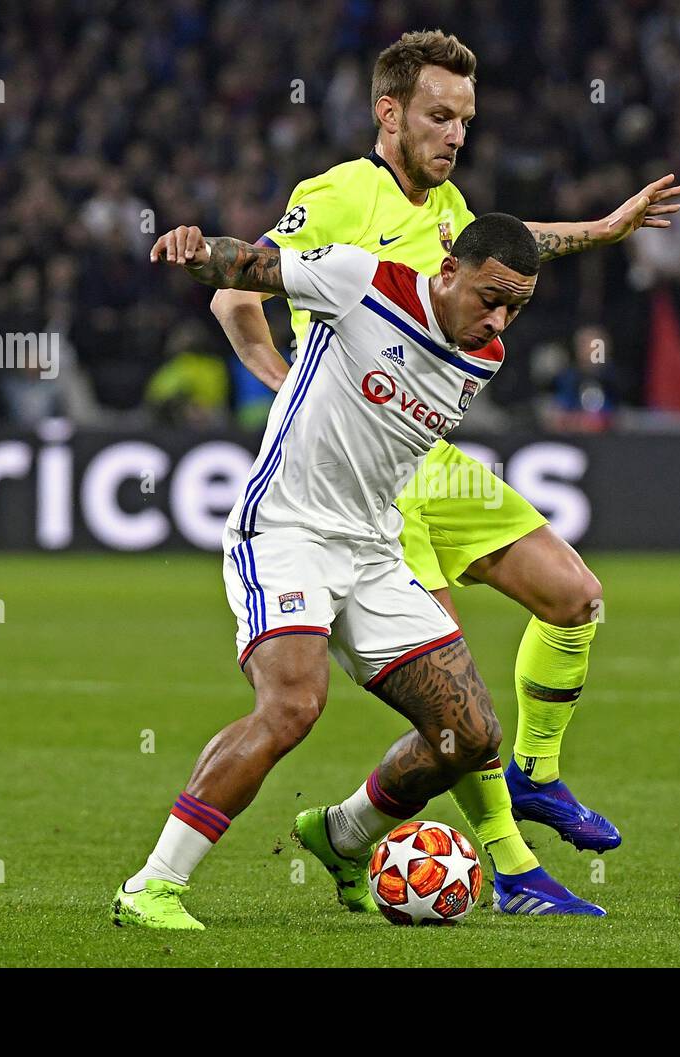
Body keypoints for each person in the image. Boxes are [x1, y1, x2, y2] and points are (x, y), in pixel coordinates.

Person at [210, 31, 680, 876]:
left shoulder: (448, 209)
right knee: (453, 691)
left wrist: (604, 229)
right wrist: (281, 379)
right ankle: (511, 867)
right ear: (388, 114)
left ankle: (534, 776)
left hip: (427, 456)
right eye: (440, 115)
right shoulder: (341, 193)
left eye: (465, 118)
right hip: (359, 472)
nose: (456, 133)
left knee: (574, 595)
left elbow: (510, 240)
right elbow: (233, 292)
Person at [115, 212, 604, 929]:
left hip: (373, 549)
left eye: (515, 307)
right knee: (292, 705)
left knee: (468, 735)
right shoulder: (357, 281)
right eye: (490, 296)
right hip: (286, 531)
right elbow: (246, 269)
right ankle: (152, 885)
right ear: (448, 270)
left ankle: (342, 834)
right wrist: (198, 252)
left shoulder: (484, 356)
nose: (499, 318)